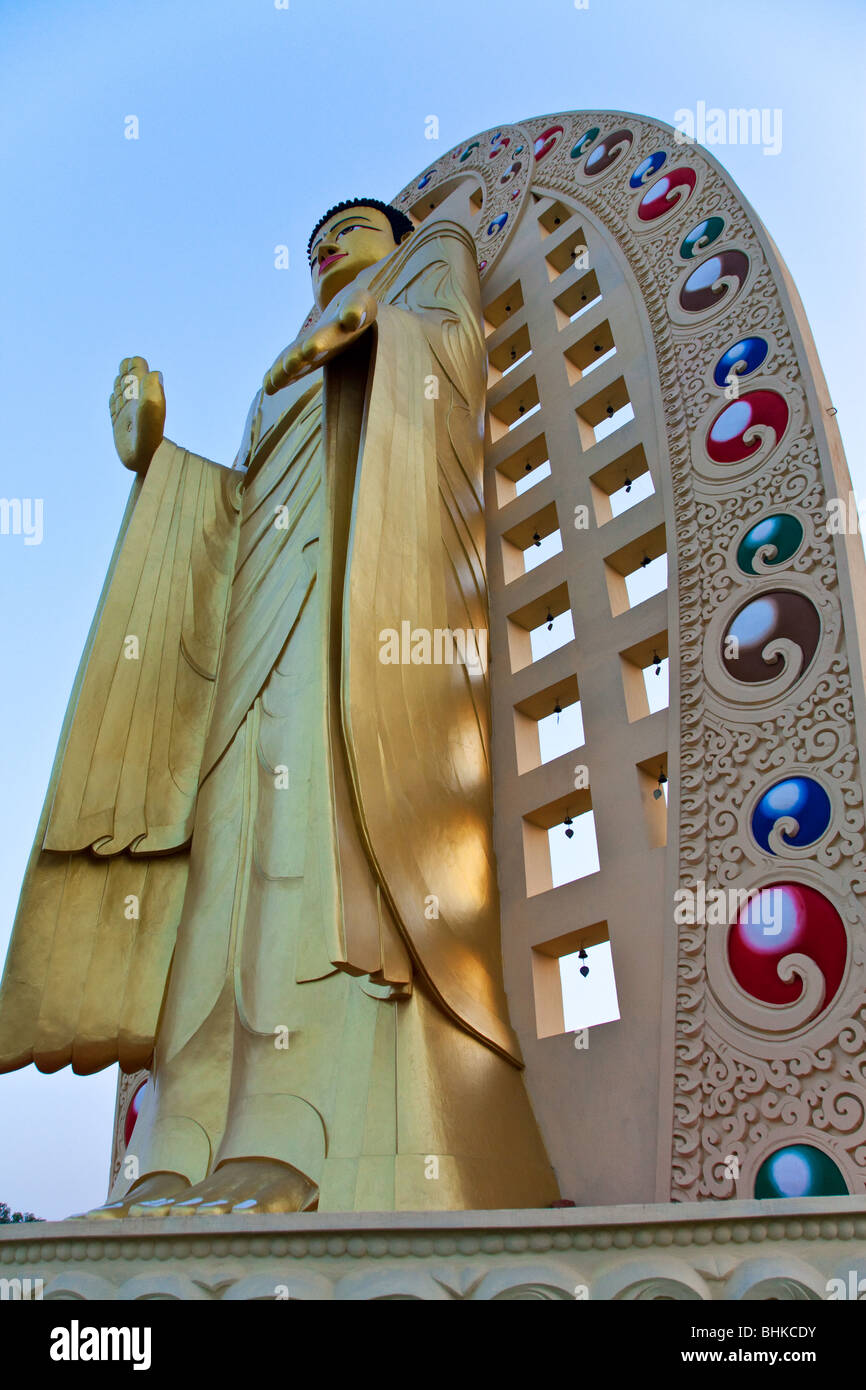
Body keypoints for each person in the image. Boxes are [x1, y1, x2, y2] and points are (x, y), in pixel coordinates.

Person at [0, 198, 558, 1215]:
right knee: (220, 866)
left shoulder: (422, 271)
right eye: (314, 245)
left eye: (349, 230)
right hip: (257, 610)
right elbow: (243, 500)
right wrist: (161, 462)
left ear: (392, 239)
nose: (328, 251)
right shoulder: (282, 365)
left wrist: (378, 331)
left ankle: (291, 1131)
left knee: (304, 852)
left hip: (349, 609)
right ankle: (184, 1138)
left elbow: (453, 356)